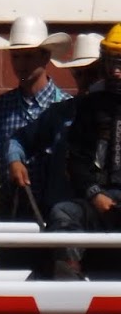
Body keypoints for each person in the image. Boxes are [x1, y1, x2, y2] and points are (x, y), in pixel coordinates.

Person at [0, 17, 71, 227]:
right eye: (16, 57)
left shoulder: (68, 107)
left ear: (45, 56)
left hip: (59, 212)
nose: (21, 64)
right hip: (13, 210)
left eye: (28, 56)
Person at [47, 25, 121, 280]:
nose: (115, 70)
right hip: (101, 200)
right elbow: (76, 158)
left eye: (120, 63)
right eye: (111, 62)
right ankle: (70, 291)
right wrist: (95, 194)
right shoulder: (91, 106)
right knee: (63, 212)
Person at [17, 31, 103, 217]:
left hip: (106, 209)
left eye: (93, 72)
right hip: (66, 212)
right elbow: (19, 139)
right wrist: (15, 159)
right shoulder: (60, 112)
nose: (86, 80)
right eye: (79, 73)